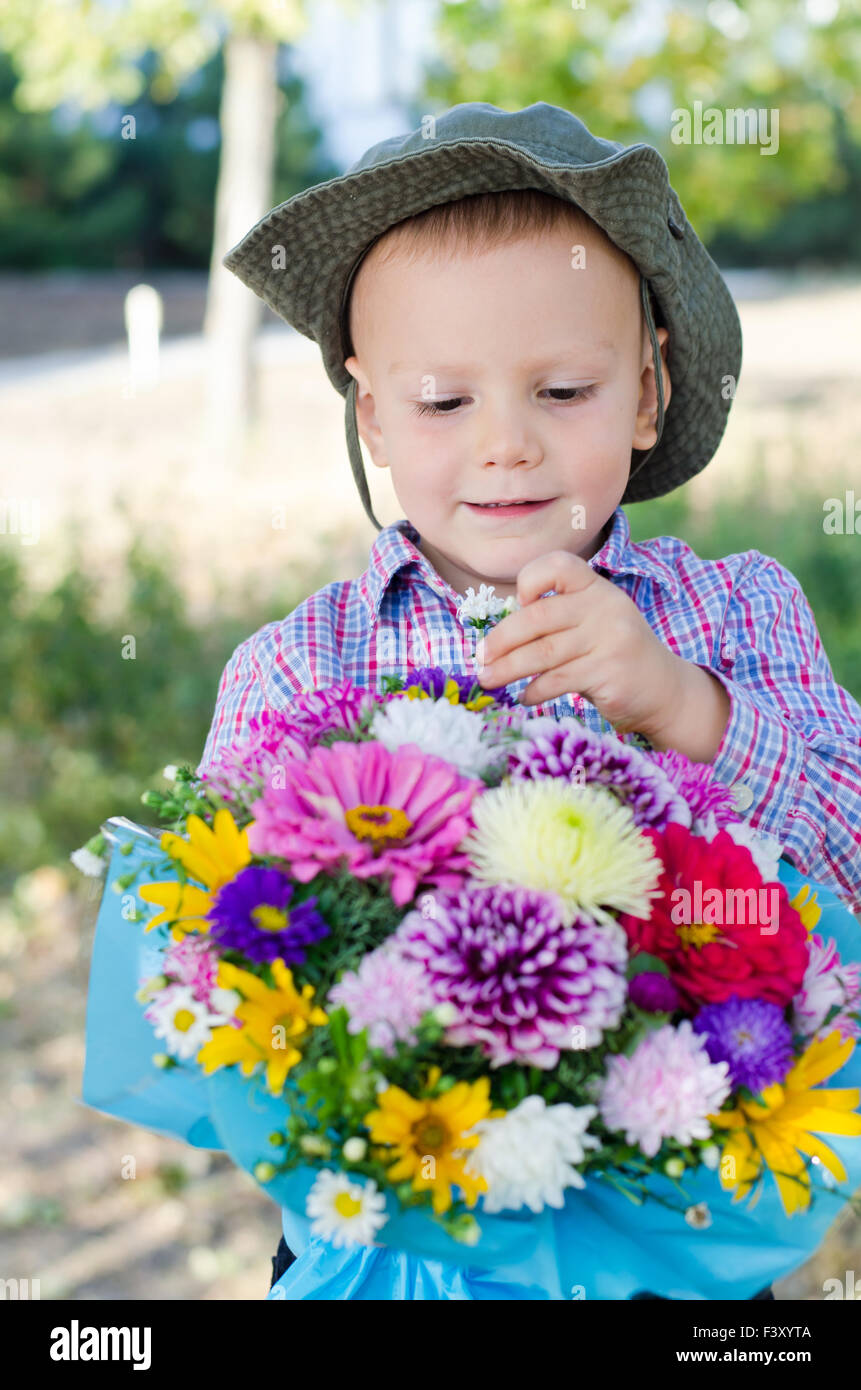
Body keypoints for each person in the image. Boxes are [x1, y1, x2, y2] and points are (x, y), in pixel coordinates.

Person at [195, 101, 861, 1300]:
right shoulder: (301, 670)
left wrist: (678, 701)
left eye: (563, 390)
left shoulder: (736, 616)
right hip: (397, 1228)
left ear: (648, 394)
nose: (507, 445)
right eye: (446, 402)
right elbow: (220, 964)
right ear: (375, 418)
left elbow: (850, 862)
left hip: (675, 1224)